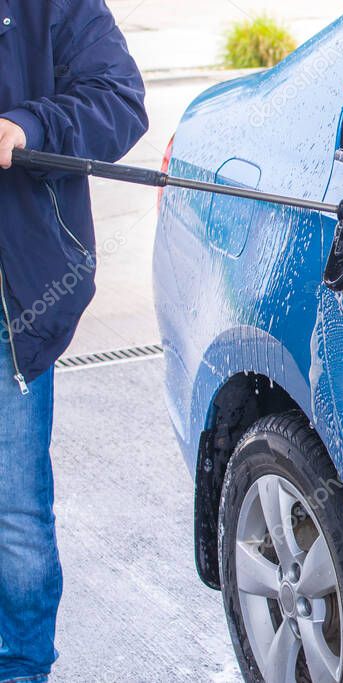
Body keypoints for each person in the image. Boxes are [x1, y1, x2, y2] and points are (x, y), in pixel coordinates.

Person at [0, 1, 147, 680]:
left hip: (11, 308)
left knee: (15, 521)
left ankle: (22, 666)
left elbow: (118, 99)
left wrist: (27, 126)